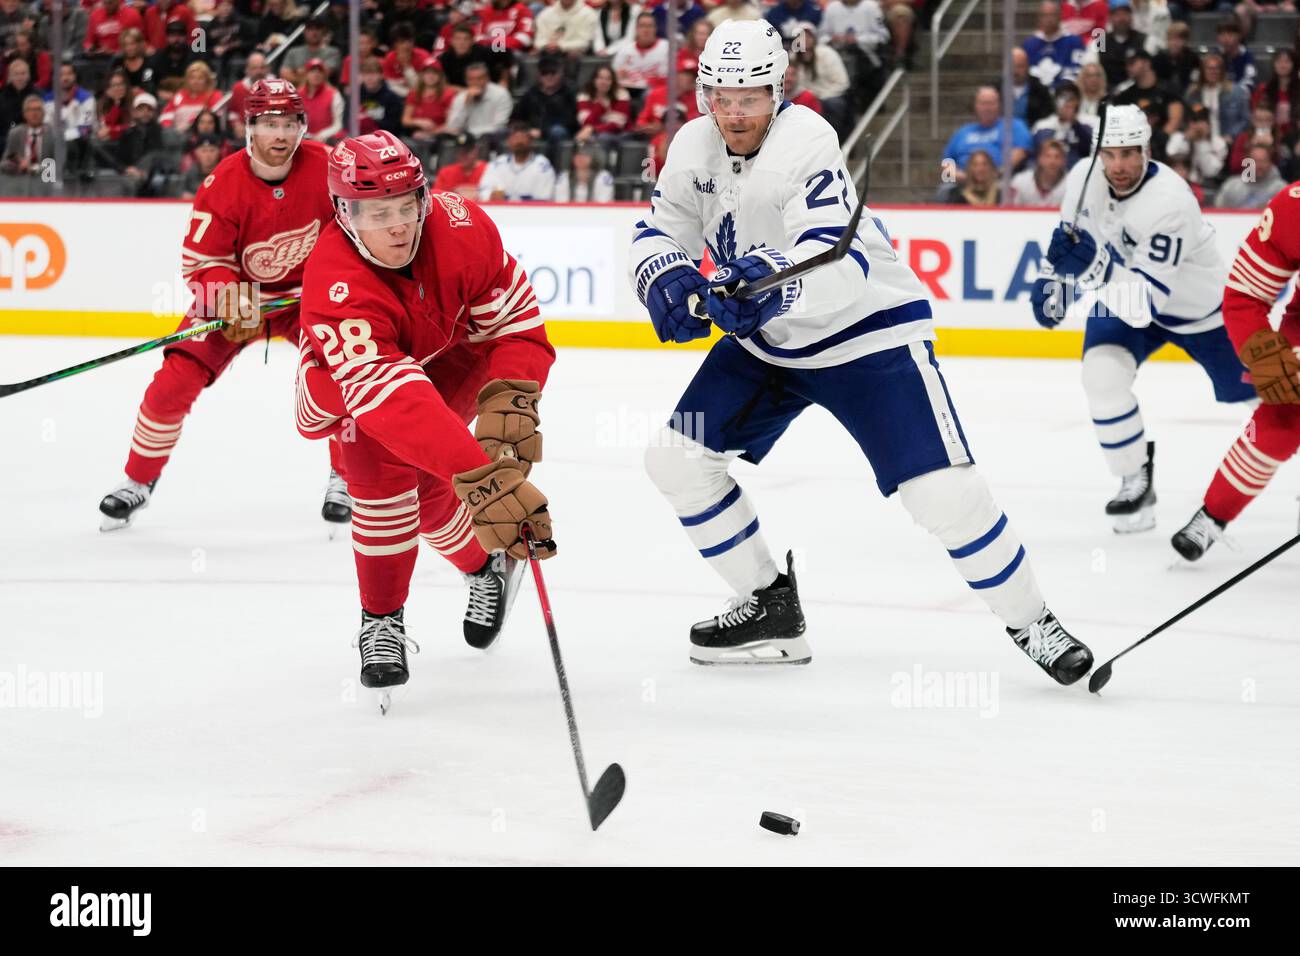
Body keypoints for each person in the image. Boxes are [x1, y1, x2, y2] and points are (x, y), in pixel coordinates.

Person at [632, 20, 1094, 684]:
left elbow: (827, 248)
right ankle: (768, 605)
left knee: (943, 495)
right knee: (676, 460)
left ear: (778, 89)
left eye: (750, 98)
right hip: (770, 345)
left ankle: (1033, 621)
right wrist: (665, 278)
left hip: (864, 332)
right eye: (720, 96)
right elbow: (659, 229)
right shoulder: (691, 144)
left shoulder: (807, 138)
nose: (734, 113)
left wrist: (760, 286)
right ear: (704, 91)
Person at [294, 130, 556, 706]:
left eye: (406, 206)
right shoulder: (335, 281)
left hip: (444, 354)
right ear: (343, 213)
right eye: (375, 212)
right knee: (386, 473)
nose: (396, 226)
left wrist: (509, 411)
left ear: (424, 198)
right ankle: (385, 617)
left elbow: (516, 329)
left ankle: (471, 572)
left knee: (430, 480)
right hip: (350, 384)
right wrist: (484, 481)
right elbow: (394, 399)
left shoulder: (464, 228)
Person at [97, 80, 351, 532]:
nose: (280, 135)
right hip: (240, 299)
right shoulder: (222, 185)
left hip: (307, 300)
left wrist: (334, 288)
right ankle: (138, 479)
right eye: (269, 124)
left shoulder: (329, 168)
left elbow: (356, 235)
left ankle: (346, 477)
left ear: (303, 126)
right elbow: (202, 262)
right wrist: (227, 295)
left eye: (289, 124)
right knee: (171, 384)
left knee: (345, 372)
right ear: (249, 127)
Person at [1029, 104, 1257, 534]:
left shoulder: (1170, 202)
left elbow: (1143, 304)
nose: (1118, 165)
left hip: (1200, 312)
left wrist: (1092, 270)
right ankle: (1136, 481)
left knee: (1262, 398)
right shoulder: (1082, 178)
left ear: (1148, 150)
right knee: (1100, 377)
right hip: (1124, 292)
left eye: (1129, 153)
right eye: (1109, 154)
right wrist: (1054, 282)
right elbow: (1068, 243)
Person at [1170, 181, 1300, 560]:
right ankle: (1213, 516)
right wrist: (1262, 351)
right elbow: (1246, 295)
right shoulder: (1293, 208)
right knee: (1279, 420)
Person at [940, 86, 1032, 179]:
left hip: (1000, 180)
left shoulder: (1014, 126)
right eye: (983, 103)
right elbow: (947, 161)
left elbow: (1021, 152)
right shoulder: (962, 132)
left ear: (999, 105)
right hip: (964, 181)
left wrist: (996, 174)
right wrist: (961, 177)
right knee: (945, 190)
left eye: (991, 103)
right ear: (975, 106)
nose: (987, 108)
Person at [478, 119, 556, 200]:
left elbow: (544, 199)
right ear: (508, 142)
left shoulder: (542, 166)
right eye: (515, 137)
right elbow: (483, 189)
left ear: (530, 140)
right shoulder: (497, 164)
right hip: (500, 211)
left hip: (531, 211)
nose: (519, 141)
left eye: (522, 136)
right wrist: (490, 195)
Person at [512, 54, 579, 146]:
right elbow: (517, 117)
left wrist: (543, 132)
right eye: (544, 73)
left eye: (553, 73)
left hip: (559, 134)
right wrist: (526, 130)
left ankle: (556, 160)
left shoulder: (568, 94)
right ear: (539, 75)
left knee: (557, 131)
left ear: (561, 74)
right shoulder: (531, 94)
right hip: (532, 132)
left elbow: (570, 122)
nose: (549, 77)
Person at [612, 12, 669, 109]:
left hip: (655, 90)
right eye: (642, 26)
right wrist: (618, 76)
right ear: (636, 29)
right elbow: (615, 76)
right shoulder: (625, 50)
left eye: (650, 26)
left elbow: (671, 78)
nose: (646, 30)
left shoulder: (667, 48)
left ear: (655, 28)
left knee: (650, 94)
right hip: (628, 89)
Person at [1031, 80, 1095, 166]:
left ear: (1078, 101)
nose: (1067, 102)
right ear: (1055, 102)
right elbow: (1040, 152)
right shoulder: (1043, 125)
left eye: (1071, 98)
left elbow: (1091, 149)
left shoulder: (1090, 121)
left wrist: (1074, 123)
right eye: (1063, 98)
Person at [445, 61, 513, 142]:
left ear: (487, 78)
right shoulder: (461, 97)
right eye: (471, 79)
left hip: (492, 138)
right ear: (466, 81)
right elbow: (452, 127)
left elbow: (499, 126)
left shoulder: (501, 94)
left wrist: (474, 134)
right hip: (466, 139)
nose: (476, 83)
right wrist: (466, 104)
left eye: (480, 79)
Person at [1024, 1, 1086, 88]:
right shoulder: (1029, 44)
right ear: (1039, 18)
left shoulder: (1074, 41)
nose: (1048, 19)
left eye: (1052, 15)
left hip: (1065, 92)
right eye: (1044, 15)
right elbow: (1026, 73)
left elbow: (1077, 69)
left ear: (1060, 16)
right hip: (1037, 95)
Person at [575, 63, 631, 150]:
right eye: (600, 78)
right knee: (582, 139)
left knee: (602, 137)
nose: (604, 82)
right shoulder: (584, 95)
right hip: (592, 133)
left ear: (612, 82)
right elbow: (585, 123)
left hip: (619, 135)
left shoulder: (621, 94)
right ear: (594, 80)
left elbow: (616, 126)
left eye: (608, 79)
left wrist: (593, 129)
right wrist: (600, 104)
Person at [1216, 142, 1287, 207]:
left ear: (1270, 163)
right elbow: (1218, 213)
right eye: (1254, 161)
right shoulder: (1231, 186)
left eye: (1263, 161)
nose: (1258, 165)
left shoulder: (1281, 190)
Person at [0, 93, 53, 175]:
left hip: (45, 181)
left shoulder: (53, 134)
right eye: (30, 110)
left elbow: (59, 164)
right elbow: (4, 163)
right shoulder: (15, 133)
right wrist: (18, 165)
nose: (34, 113)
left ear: (44, 113)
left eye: (38, 109)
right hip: (21, 181)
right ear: (24, 114)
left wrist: (33, 168)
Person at [401, 62, 454, 141]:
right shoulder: (413, 94)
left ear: (440, 76)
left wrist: (431, 133)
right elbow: (405, 120)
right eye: (427, 73)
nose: (431, 76)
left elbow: (452, 122)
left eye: (435, 73)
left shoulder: (448, 94)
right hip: (416, 135)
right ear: (422, 75)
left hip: (440, 136)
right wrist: (419, 122)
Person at [356, 56, 405, 136]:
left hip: (382, 139)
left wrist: (370, 121)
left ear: (381, 75)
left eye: (373, 74)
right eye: (365, 74)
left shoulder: (392, 98)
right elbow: (346, 122)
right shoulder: (355, 96)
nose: (369, 78)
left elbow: (394, 127)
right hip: (358, 137)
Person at [1010, 138, 1069, 205]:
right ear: (1040, 158)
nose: (1052, 161)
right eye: (1047, 156)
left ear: (1064, 161)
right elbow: (1011, 211)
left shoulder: (1071, 184)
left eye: (1057, 157)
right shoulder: (1021, 181)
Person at [432, 130, 487, 198]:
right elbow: (436, 197)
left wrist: (480, 193)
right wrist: (454, 193)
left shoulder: (488, 170)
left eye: (467, 151)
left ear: (475, 150)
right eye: (459, 151)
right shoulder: (445, 172)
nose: (462, 155)